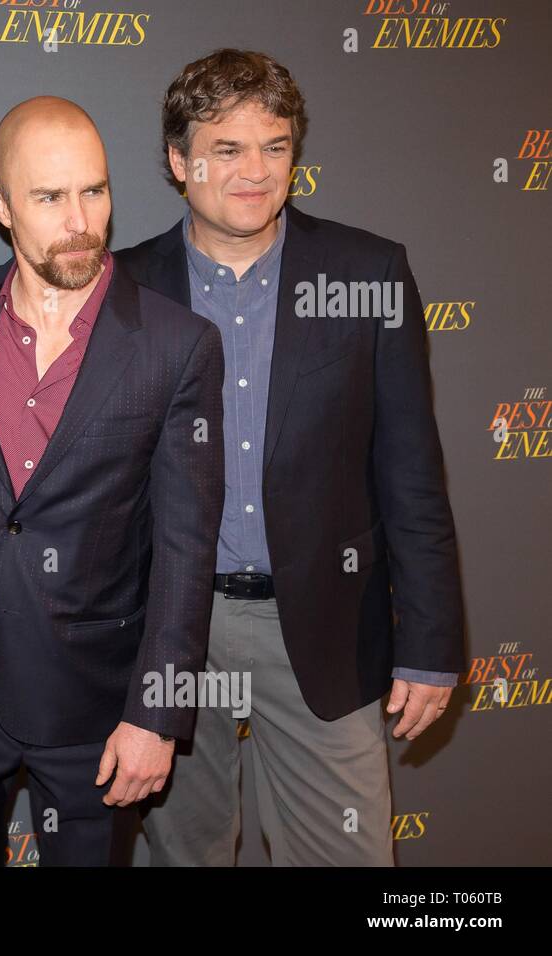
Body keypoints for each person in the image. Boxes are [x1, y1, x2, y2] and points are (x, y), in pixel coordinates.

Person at [118, 48, 463, 866]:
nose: (255, 171)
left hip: (324, 624)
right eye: (226, 149)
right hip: (173, 631)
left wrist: (433, 640)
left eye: (274, 147)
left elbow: (411, 469)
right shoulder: (123, 288)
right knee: (183, 857)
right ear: (178, 160)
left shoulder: (368, 272)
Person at [0, 96, 226, 865]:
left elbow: (186, 550)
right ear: (1, 206)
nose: (80, 218)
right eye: (49, 197)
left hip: (93, 691)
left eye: (95, 190)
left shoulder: (176, 345)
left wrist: (157, 712)